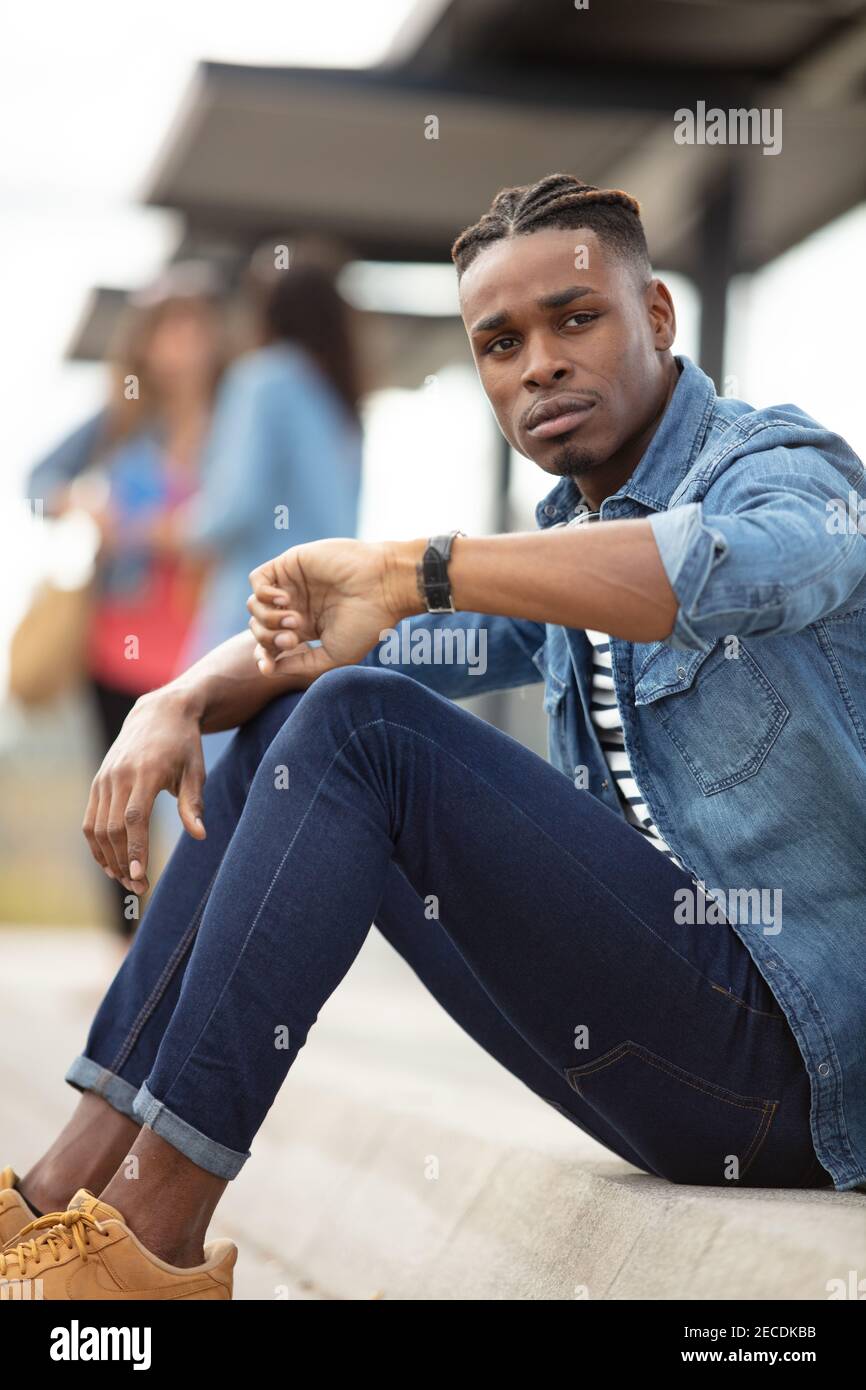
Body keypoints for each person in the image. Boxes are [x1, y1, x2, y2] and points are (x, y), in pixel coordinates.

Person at [5, 172, 865, 1303]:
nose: (538, 364)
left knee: (365, 732)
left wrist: (416, 566)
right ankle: (50, 1205)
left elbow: (701, 569)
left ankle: (143, 1249)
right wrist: (181, 698)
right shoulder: (566, 542)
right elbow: (347, 651)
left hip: (805, 1072)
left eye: (574, 319)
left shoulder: (789, 476)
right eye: (499, 343)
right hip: (671, 1061)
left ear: (656, 316)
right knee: (301, 720)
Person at [24, 264, 228, 940]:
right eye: (169, 329)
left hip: (205, 642)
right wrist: (86, 504)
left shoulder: (235, 422)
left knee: (206, 801)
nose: (183, 345)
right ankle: (130, 952)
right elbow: (39, 479)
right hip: (117, 642)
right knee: (121, 805)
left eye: (195, 328)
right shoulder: (120, 420)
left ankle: (195, 945)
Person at [166, 260, 364, 772]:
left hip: (250, 611)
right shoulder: (341, 401)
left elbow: (231, 508)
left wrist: (165, 530)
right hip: (324, 621)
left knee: (201, 780)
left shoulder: (264, 378)